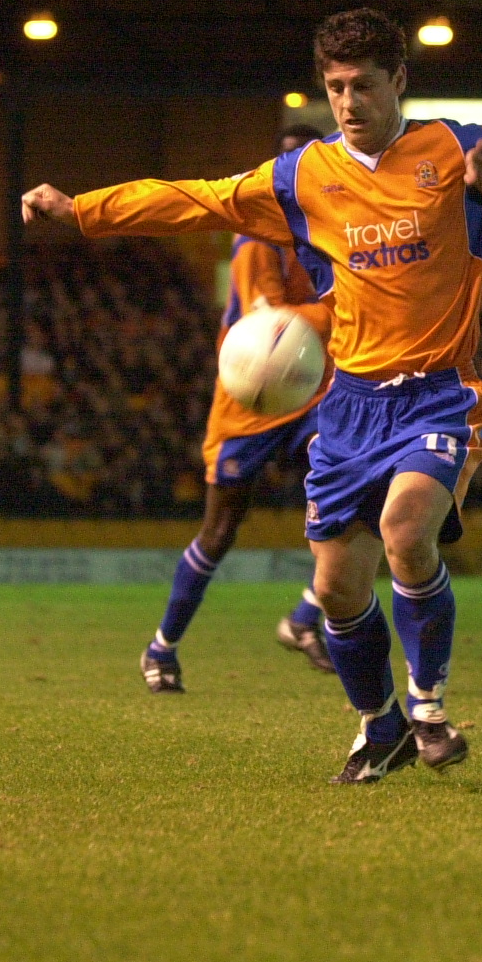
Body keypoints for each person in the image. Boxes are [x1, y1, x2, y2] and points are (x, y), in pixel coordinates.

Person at [22, 7, 482, 783]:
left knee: (407, 533)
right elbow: (198, 198)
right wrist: (82, 212)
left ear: (399, 82)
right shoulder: (305, 176)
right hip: (348, 407)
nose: (349, 103)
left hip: (439, 396)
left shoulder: (457, 147)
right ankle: (380, 726)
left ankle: (429, 708)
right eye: (336, 88)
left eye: (364, 86)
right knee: (337, 590)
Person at [142, 124, 341, 693]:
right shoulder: (257, 236)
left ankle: (305, 617)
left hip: (313, 389)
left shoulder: (333, 231)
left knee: (365, 494)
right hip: (253, 393)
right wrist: (351, 315)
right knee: (220, 529)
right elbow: (273, 329)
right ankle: (162, 648)